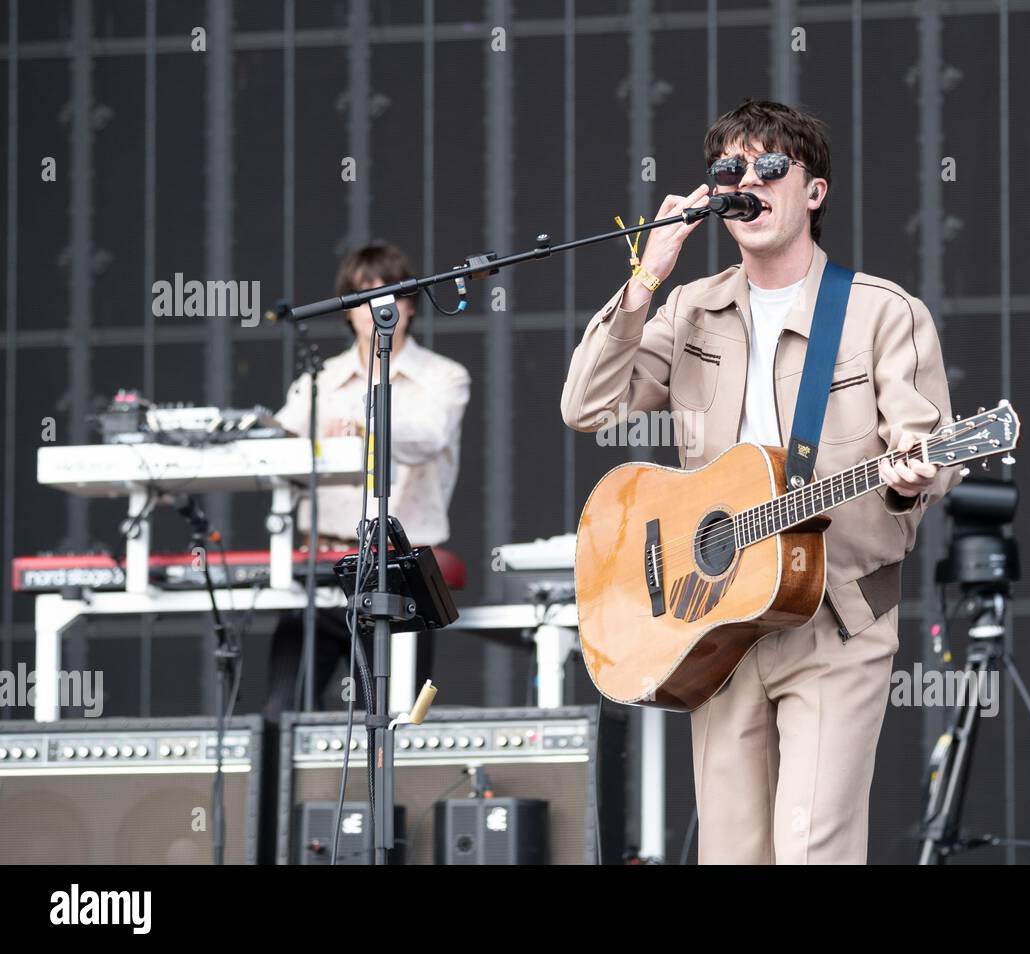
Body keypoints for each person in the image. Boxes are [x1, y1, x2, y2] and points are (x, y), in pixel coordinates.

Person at [560, 98, 960, 863]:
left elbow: (925, 452)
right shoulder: (690, 309)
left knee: (812, 850)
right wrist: (647, 274)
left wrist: (911, 477)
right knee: (732, 852)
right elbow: (587, 403)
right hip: (717, 617)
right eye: (730, 169)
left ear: (815, 191)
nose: (750, 180)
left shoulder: (882, 313)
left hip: (835, 613)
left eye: (772, 165)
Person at [263, 242, 470, 720]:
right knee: (281, 713)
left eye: (392, 294)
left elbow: (430, 437)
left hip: (400, 566)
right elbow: (274, 445)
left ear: (412, 304)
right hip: (321, 566)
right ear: (348, 309)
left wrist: (365, 423)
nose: (378, 306)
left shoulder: (445, 377)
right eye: (363, 295)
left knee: (396, 717)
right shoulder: (320, 380)